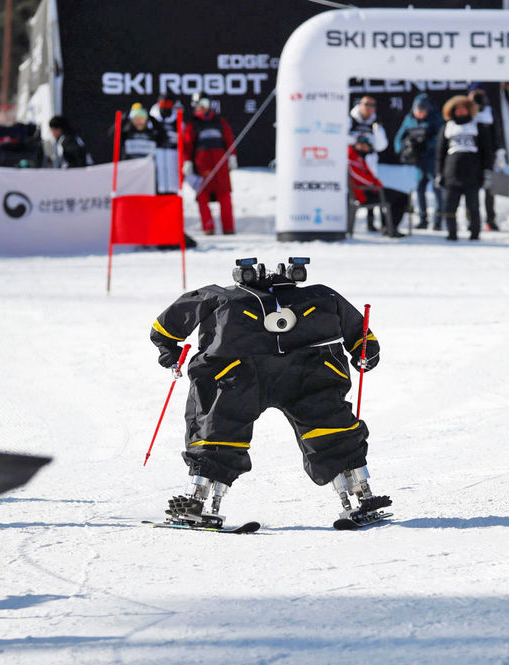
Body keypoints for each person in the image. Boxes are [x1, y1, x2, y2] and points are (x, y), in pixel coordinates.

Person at [149, 257, 390, 528]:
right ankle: (360, 495)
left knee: (220, 430)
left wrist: (169, 350)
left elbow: (165, 328)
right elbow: (360, 333)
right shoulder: (322, 296)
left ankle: (197, 500)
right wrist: (364, 352)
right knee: (326, 430)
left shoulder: (220, 297)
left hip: (245, 374)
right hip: (295, 373)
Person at [435, 94, 492, 241]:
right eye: (458, 109)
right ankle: (451, 233)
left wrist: (487, 171)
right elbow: (440, 153)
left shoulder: (478, 127)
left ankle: (475, 233)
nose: (461, 112)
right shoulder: (447, 128)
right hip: (452, 174)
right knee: (450, 206)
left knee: (473, 206)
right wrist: (439, 173)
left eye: (464, 109)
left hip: (473, 173)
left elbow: (487, 151)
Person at [181, 91, 237, 235]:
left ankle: (229, 228)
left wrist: (232, 156)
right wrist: (187, 161)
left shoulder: (219, 121)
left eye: (205, 104)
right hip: (202, 165)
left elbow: (229, 140)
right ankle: (208, 227)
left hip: (220, 165)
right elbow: (187, 145)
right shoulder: (192, 124)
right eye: (199, 105)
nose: (203, 108)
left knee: (225, 196)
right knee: (202, 195)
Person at [393, 93, 442, 230]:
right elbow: (399, 138)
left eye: (423, 111)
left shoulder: (435, 119)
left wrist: (426, 144)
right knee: (420, 189)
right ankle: (423, 219)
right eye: (418, 111)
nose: (420, 113)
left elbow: (441, 139)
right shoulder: (409, 119)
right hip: (419, 161)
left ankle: (438, 220)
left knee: (437, 189)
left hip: (433, 161)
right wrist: (404, 149)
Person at [349, 135, 408, 237]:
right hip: (364, 193)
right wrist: (375, 185)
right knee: (401, 198)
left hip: (372, 190)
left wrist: (377, 185)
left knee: (401, 196)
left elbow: (370, 177)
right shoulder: (352, 157)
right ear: (356, 145)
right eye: (361, 145)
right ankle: (390, 228)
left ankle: (388, 227)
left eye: (366, 146)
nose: (364, 148)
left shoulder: (358, 157)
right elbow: (358, 176)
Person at [468, 83, 507, 231]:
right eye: (474, 93)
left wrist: (500, 152)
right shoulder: (464, 110)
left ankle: (491, 220)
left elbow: (497, 133)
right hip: (470, 157)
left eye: (480, 93)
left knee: (490, 189)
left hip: (488, 157)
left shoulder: (490, 112)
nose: (478, 96)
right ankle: (472, 220)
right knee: (471, 191)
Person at [348, 95, 389, 232]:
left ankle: (371, 223)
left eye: (372, 105)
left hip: (369, 163)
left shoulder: (375, 123)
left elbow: (382, 146)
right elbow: (341, 138)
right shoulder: (350, 121)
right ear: (360, 105)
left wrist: (376, 132)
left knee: (373, 189)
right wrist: (357, 144)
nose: (369, 108)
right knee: (352, 193)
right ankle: (347, 222)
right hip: (353, 162)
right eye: (366, 104)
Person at [149, 91, 183, 194]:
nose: (166, 107)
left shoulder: (178, 121)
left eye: (168, 105)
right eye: (163, 104)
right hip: (156, 159)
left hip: (173, 159)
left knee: (172, 191)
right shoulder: (151, 121)